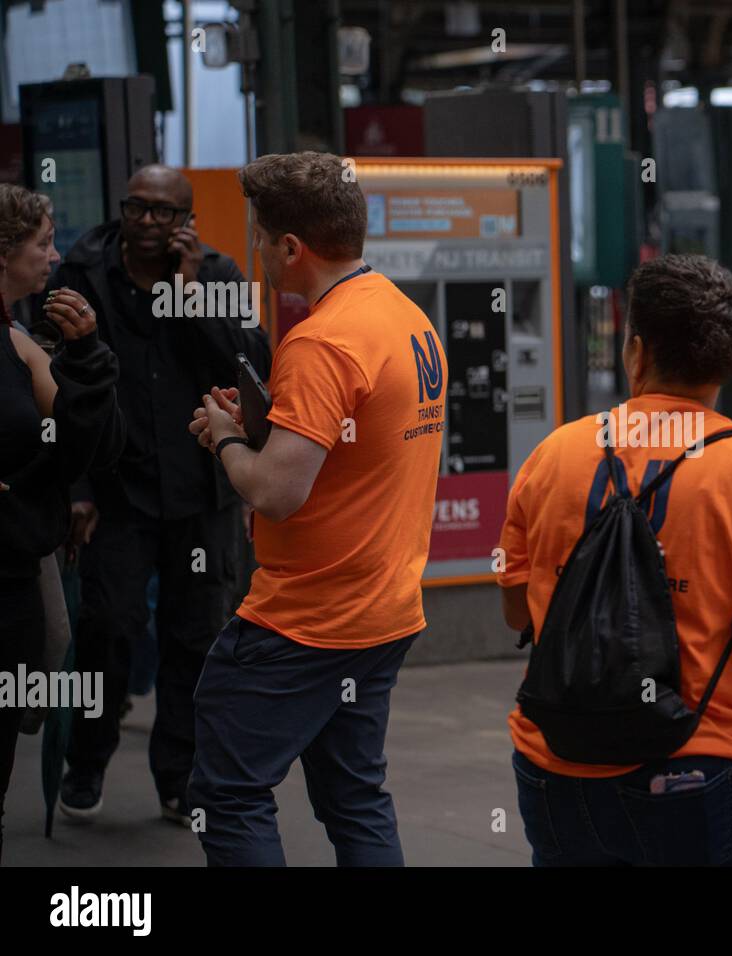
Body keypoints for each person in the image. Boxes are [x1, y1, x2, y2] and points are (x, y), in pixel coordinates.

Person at [497, 254, 732, 866]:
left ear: (637, 350)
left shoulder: (554, 455)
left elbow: (520, 611)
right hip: (704, 766)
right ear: (728, 361)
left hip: (557, 763)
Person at [186, 151, 446, 866]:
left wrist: (228, 437)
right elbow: (351, 451)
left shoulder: (322, 341)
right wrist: (274, 428)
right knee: (354, 798)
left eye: (261, 238)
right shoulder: (403, 316)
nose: (258, 253)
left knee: (228, 796)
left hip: (306, 621)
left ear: (291, 248)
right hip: (384, 611)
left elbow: (276, 491)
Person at [52, 165, 270, 825]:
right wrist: (78, 488)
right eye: (137, 208)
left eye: (164, 213)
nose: (148, 222)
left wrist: (192, 292)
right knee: (107, 629)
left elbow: (246, 363)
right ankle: (86, 759)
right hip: (118, 489)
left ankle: (180, 777)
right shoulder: (82, 271)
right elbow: (61, 388)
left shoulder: (220, 276)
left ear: (187, 221)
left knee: (197, 638)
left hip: (201, 494)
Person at [0, 183, 122, 861]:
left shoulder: (20, 341)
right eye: (41, 244)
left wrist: (87, 360)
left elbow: (92, 443)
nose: (52, 258)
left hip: (16, 572)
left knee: (47, 651)